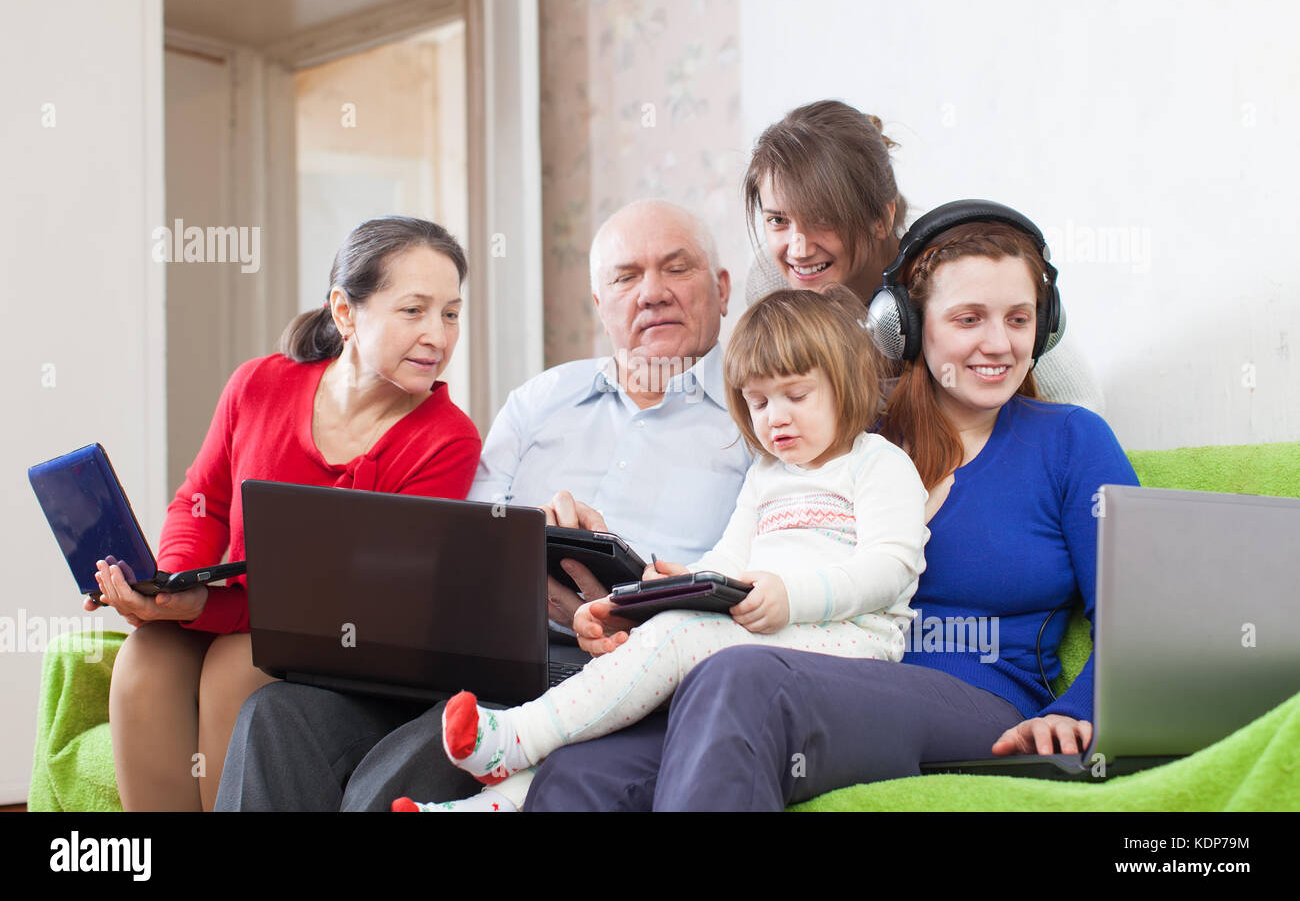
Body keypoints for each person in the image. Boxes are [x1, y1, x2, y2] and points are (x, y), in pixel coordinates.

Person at [525, 200, 1140, 810]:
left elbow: (1140, 614)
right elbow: (754, 563)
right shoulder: (841, 439)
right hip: (811, 671)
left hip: (974, 702)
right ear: (906, 325)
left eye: (1019, 319)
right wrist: (647, 609)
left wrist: (1070, 714)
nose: (998, 343)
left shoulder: (1070, 441)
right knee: (587, 768)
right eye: (969, 318)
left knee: (741, 681)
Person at [215, 199, 754, 811]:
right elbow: (458, 548)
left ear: (722, 288)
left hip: (619, 670)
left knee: (400, 774)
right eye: (626, 277)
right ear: (601, 305)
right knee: (275, 719)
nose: (652, 293)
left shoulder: (762, 415)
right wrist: (526, 572)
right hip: (486, 651)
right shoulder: (539, 401)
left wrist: (651, 600)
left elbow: (762, 577)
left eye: (677, 269)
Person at [396, 287, 928, 810]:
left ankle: (518, 735)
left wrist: (792, 597)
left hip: (854, 646)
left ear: (847, 384)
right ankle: (494, 803)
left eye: (796, 395)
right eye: (759, 401)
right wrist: (670, 588)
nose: (775, 418)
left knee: (675, 638)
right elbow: (729, 561)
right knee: (636, 669)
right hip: (774, 632)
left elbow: (890, 567)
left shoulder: (876, 463)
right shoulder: (769, 474)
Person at [91, 216, 481, 811]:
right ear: (345, 312)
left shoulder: (446, 440)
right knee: (145, 657)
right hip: (236, 613)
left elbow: (358, 602)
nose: (438, 336)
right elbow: (202, 502)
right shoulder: (258, 384)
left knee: (235, 662)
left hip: (340, 641)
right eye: (414, 311)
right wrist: (173, 586)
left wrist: (210, 609)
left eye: (450, 313)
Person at [743, 99, 1105, 413]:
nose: (798, 249)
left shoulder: (953, 259)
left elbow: (1080, 402)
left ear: (881, 218)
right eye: (778, 220)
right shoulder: (768, 278)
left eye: (823, 220)